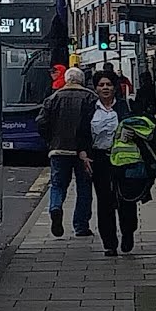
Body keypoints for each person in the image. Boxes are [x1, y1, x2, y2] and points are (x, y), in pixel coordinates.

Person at [36, 66, 96, 238]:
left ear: (67, 80)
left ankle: (55, 208)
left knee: (57, 185)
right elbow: (94, 124)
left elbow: (41, 122)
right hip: (83, 151)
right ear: (82, 81)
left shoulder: (53, 98)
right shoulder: (90, 98)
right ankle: (81, 226)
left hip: (58, 149)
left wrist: (51, 140)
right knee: (84, 187)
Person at [89, 70, 138, 256]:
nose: (105, 88)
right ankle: (109, 243)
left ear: (114, 87)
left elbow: (138, 127)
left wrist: (132, 133)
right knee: (105, 201)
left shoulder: (124, 106)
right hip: (100, 159)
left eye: (108, 84)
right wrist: (84, 153)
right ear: (96, 88)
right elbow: (82, 132)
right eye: (101, 85)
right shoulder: (90, 109)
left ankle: (128, 233)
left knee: (126, 199)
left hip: (123, 159)